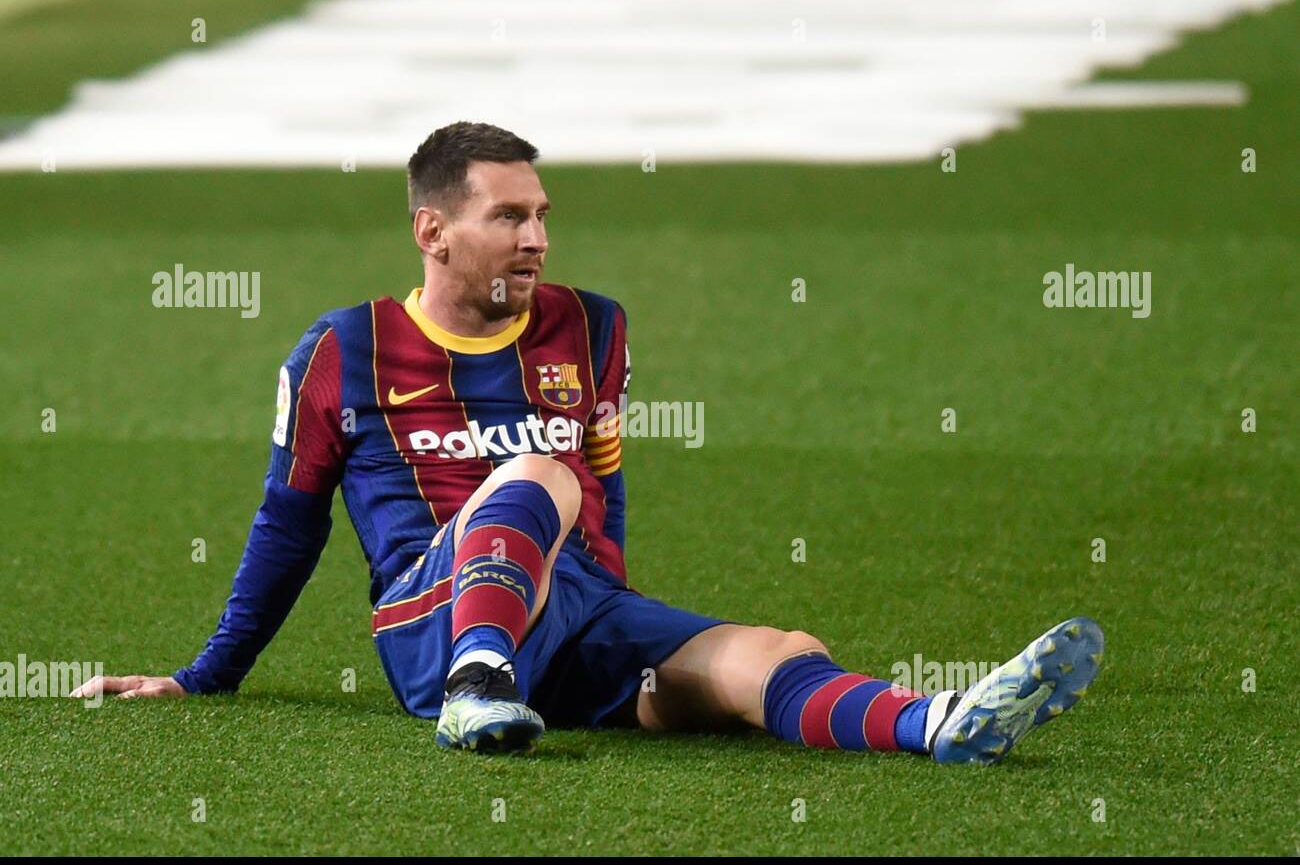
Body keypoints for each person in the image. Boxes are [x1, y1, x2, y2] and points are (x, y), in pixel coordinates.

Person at [73, 122, 1104, 762]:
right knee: (537, 471)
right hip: (428, 627)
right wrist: (205, 674)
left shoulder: (592, 324)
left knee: (769, 654)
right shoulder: (343, 350)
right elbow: (284, 526)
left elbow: (609, 485)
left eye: (543, 214)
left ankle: (940, 724)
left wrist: (617, 611)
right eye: (509, 216)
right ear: (433, 232)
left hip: (571, 608)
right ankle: (477, 685)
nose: (538, 237)